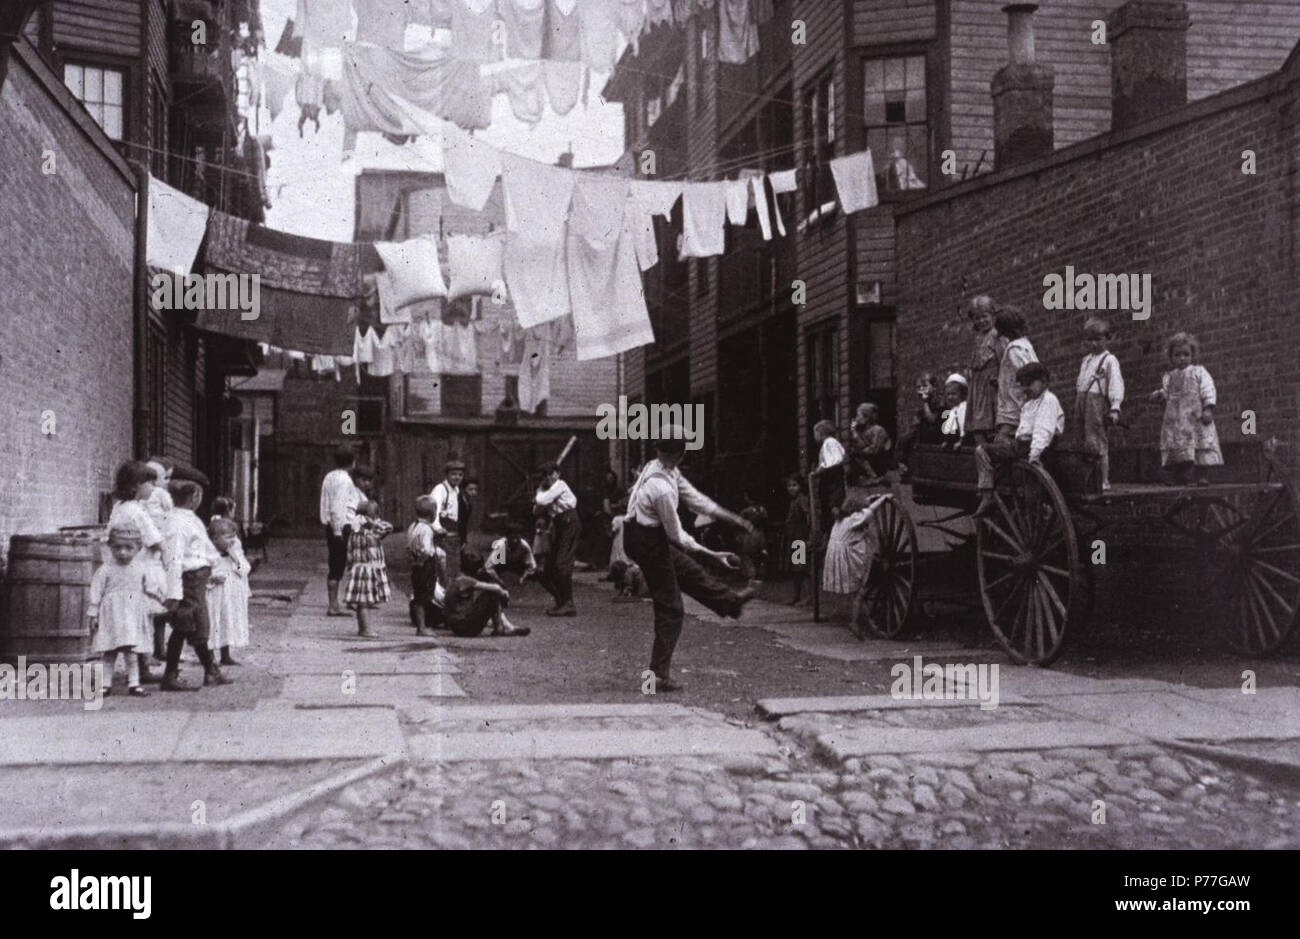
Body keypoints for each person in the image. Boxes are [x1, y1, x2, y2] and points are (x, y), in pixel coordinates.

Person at [622, 435, 758, 693]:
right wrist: (712, 553)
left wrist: (732, 518)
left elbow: (696, 500)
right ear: (682, 454)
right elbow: (677, 536)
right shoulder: (659, 487)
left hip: (647, 535)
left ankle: (730, 603)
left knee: (687, 569)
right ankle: (656, 677)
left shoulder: (664, 469)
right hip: (644, 540)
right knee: (671, 607)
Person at [162, 479, 231, 690]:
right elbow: (173, 559)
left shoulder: (191, 519)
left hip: (198, 578)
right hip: (188, 579)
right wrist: (174, 591)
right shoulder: (176, 524)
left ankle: (211, 671)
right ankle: (171, 675)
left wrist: (214, 567)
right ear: (195, 498)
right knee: (185, 625)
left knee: (199, 625)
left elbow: (206, 549)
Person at [107, 460, 171, 684]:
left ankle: (139, 666)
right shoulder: (138, 512)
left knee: (131, 619)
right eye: (148, 484)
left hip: (122, 571)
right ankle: (143, 668)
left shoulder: (119, 508)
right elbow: (157, 542)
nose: (152, 489)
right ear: (136, 486)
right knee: (142, 621)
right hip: (140, 570)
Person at [975, 362, 1064, 517]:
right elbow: (1025, 428)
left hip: (1038, 449)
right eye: (1023, 385)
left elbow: (1043, 431)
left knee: (1032, 491)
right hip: (1022, 445)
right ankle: (987, 492)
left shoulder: (1048, 400)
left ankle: (1041, 511)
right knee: (983, 450)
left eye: (1029, 384)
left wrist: (1035, 454)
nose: (1025, 389)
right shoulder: (1030, 403)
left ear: (1043, 381)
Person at [88, 523, 165, 697]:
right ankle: (105, 685)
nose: (123, 552)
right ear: (110, 547)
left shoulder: (140, 567)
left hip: (131, 614)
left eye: (128, 548)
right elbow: (96, 592)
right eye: (118, 548)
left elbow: (150, 587)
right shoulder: (105, 569)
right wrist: (93, 614)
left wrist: (160, 597)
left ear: (138, 548)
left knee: (131, 652)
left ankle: (134, 684)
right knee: (109, 652)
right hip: (112, 615)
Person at [1152, 331, 1221, 486]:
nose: (1182, 358)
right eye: (1177, 355)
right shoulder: (1169, 376)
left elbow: (1208, 389)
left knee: (1200, 444)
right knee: (1177, 446)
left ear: (1192, 355)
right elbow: (1167, 392)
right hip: (1176, 419)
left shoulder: (1199, 372)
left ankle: (1202, 476)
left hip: (1194, 416)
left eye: (1186, 354)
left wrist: (1208, 408)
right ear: (1171, 357)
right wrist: (1159, 395)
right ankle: (1179, 475)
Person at [1076, 317, 1126, 490]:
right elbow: (1081, 382)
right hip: (1082, 401)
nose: (1094, 343)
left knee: (1097, 441)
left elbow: (1115, 384)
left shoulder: (1109, 360)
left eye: (1098, 339)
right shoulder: (1086, 360)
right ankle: (1089, 480)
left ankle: (1104, 480)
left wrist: (1115, 407)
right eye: (1090, 339)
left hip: (1096, 403)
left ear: (1107, 339)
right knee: (1083, 441)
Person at [445, 548, 530, 637]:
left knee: (489, 596)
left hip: (457, 626)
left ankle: (506, 626)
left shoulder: (458, 578)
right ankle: (501, 628)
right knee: (492, 594)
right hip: (464, 628)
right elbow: (495, 588)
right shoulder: (465, 580)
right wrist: (504, 592)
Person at [534, 460, 581, 616]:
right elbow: (536, 510)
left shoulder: (560, 485)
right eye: (546, 475)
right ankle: (561, 602)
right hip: (558, 525)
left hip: (569, 522)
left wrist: (540, 489)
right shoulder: (548, 489)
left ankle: (569, 604)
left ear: (558, 474)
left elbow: (540, 501)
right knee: (548, 570)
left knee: (562, 564)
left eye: (552, 473)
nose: (549, 477)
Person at [822, 493, 892, 595]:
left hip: (836, 554)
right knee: (858, 588)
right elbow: (869, 510)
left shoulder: (841, 519)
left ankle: (857, 598)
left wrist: (870, 498)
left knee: (850, 586)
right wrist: (883, 498)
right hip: (845, 557)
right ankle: (859, 597)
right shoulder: (852, 521)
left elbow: (861, 507)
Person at [344, 499, 393, 638]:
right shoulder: (370, 534)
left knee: (361, 602)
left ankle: (362, 628)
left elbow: (349, 552)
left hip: (357, 569)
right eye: (375, 515)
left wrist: (350, 566)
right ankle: (366, 629)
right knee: (365, 602)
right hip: (367, 570)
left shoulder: (354, 533)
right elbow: (388, 528)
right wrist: (373, 522)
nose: (377, 518)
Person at [206, 517, 250, 667]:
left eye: (233, 537)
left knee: (228, 621)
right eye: (227, 537)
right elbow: (203, 573)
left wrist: (235, 558)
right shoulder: (208, 553)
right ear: (215, 539)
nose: (231, 540)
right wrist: (211, 579)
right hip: (214, 595)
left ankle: (226, 654)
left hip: (231, 595)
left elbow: (244, 570)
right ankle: (210, 656)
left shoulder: (235, 552)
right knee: (214, 622)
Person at [319, 446, 358, 616]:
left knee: (335, 563)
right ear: (352, 462)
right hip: (340, 526)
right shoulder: (345, 480)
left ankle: (334, 603)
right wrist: (338, 530)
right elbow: (337, 506)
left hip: (331, 524)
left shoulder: (329, 476)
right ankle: (333, 605)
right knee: (338, 564)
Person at [993, 306, 1038, 443]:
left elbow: (1028, 373)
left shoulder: (1014, 349)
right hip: (1019, 406)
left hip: (1014, 408)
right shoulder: (1026, 345)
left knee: (1001, 443)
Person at [966, 295, 1006, 445]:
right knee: (978, 428)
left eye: (984, 317)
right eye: (977, 318)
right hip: (977, 389)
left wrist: (999, 380)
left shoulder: (997, 337)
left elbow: (1004, 362)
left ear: (992, 315)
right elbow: (973, 361)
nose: (981, 321)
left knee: (992, 427)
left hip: (991, 388)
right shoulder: (977, 339)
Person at [407, 495, 444, 636]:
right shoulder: (427, 530)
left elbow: (409, 547)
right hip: (425, 566)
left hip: (415, 565)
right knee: (424, 596)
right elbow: (426, 550)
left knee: (418, 595)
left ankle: (422, 624)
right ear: (433, 514)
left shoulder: (412, 526)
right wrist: (424, 560)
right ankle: (422, 627)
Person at [781, 473, 812, 605]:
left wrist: (809, 534)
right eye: (789, 486)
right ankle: (797, 596)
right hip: (793, 538)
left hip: (800, 537)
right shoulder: (793, 501)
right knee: (796, 569)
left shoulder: (802, 499)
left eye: (794, 485)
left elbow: (808, 516)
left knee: (802, 569)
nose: (791, 488)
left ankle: (808, 597)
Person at [940, 373, 969, 446]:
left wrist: (961, 441)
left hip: (964, 439)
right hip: (955, 438)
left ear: (962, 394)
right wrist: (946, 440)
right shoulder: (953, 409)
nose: (950, 397)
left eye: (954, 394)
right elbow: (949, 425)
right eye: (948, 394)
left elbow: (963, 426)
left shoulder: (963, 407)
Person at [458, 476, 479, 544]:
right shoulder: (459, 501)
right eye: (470, 489)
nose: (474, 492)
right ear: (463, 489)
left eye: (475, 489)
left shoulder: (468, 503)